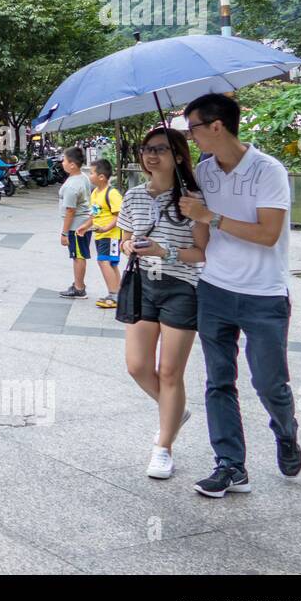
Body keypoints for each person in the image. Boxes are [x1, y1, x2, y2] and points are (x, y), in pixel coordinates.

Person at [178, 93, 301, 497]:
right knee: (218, 381)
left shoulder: (269, 170)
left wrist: (210, 216)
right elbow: (202, 227)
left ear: (216, 126)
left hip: (264, 295)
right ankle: (231, 466)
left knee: (270, 383)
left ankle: (285, 431)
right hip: (214, 289)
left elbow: (267, 235)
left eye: (193, 127)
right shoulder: (204, 170)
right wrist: (192, 214)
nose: (190, 135)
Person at [118, 128, 208, 480]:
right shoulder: (134, 195)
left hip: (181, 287)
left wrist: (164, 250)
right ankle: (175, 410)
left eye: (160, 149)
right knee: (137, 366)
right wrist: (129, 246)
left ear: (179, 156)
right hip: (142, 283)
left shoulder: (191, 200)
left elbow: (201, 253)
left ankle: (163, 446)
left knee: (170, 372)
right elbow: (125, 237)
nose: (151, 156)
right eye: (146, 149)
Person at [87, 158, 125, 309]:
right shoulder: (95, 193)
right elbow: (94, 214)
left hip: (111, 236)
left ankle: (113, 294)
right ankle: (119, 293)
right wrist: (85, 227)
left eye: (91, 173)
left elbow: (119, 215)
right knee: (110, 263)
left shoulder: (112, 194)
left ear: (101, 177)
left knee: (104, 262)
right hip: (100, 235)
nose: (89, 176)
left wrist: (106, 228)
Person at [57, 146, 93, 298]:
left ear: (72, 164)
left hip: (76, 227)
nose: (62, 163)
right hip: (84, 223)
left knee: (78, 256)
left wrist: (64, 233)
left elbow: (70, 211)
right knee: (79, 255)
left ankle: (79, 288)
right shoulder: (83, 177)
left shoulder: (72, 186)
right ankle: (79, 283)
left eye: (64, 160)